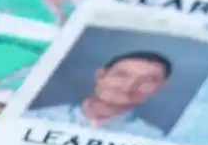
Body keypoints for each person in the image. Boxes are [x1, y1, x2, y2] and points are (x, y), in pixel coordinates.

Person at [26, 51, 172, 138]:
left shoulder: (153, 137)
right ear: (101, 76)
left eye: (146, 81)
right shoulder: (37, 117)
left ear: (158, 88)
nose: (129, 86)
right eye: (121, 75)